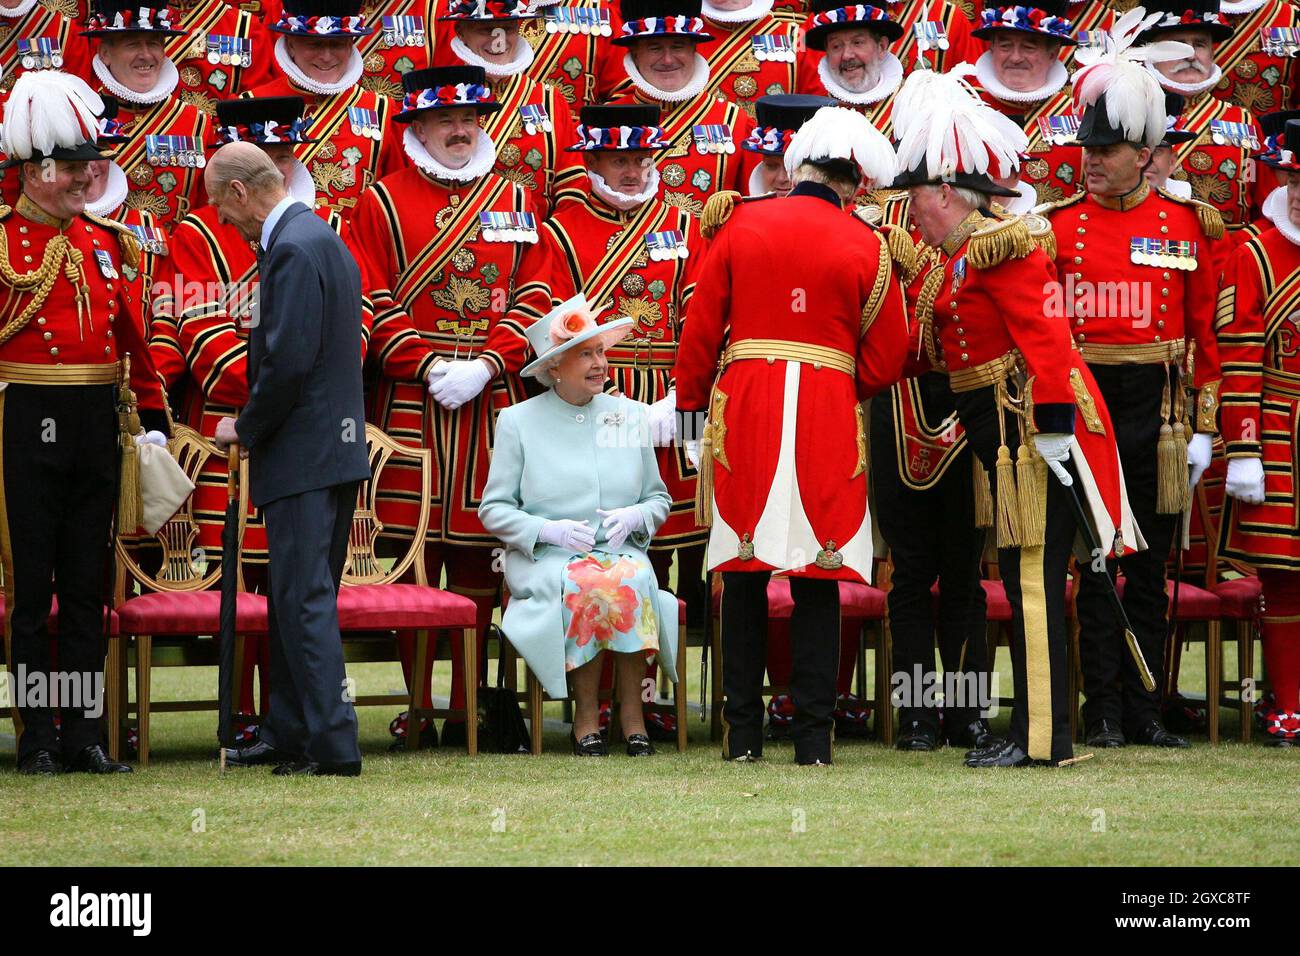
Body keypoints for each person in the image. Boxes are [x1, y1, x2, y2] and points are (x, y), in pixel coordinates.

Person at [892, 67, 1138, 767]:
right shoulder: (957, 258)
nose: (909, 213)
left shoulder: (1004, 244)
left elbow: (1049, 336)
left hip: (1032, 432)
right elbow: (938, 353)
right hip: (1001, 437)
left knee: (1032, 577)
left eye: (915, 197)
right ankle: (1034, 728)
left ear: (945, 190)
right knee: (1020, 572)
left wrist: (1056, 426)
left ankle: (1042, 742)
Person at [674, 105, 909, 765]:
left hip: (745, 401)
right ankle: (813, 740)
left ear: (797, 166)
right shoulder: (870, 243)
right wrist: (838, 380)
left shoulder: (740, 222)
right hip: (828, 408)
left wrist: (692, 412)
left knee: (743, 572)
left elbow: (699, 332)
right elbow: (889, 357)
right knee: (818, 574)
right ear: (856, 183)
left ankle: (742, 736)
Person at [1041, 22, 1223, 750]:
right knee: (1096, 558)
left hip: (1162, 410)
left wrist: (1207, 425)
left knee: (1149, 565)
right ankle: (1102, 710)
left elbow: (1204, 333)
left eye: (1107, 152)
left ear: (1144, 156)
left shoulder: (1187, 225)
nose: (1091, 163)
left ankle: (1148, 708)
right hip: (1088, 404)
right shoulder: (1056, 229)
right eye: (1086, 150)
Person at [346, 65, 535, 750]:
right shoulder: (379, 200)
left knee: (483, 551)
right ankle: (417, 707)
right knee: (410, 550)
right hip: (409, 399)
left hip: (491, 398)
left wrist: (491, 362)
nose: (461, 131)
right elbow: (367, 292)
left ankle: (468, 708)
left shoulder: (514, 196)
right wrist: (425, 364)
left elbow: (535, 293)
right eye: (445, 120)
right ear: (416, 128)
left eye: (471, 120)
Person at [0, 70, 168, 774]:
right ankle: (38, 734)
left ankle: (86, 733)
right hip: (25, 418)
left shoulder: (108, 243)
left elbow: (134, 338)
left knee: (87, 586)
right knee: (32, 591)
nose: (86, 179)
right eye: (73, 168)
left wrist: (153, 416)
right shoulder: (6, 245)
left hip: (96, 421)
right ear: (37, 172)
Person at [159, 95, 332, 749]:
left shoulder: (324, 223)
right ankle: (240, 715)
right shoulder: (199, 233)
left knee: (291, 576)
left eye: (285, 155)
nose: (279, 166)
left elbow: (358, 317)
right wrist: (269, 395)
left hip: (299, 429)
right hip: (226, 431)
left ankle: (287, 717)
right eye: (267, 156)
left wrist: (295, 392)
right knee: (239, 571)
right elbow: (197, 327)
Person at [211, 142, 370, 776]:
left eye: (222, 207)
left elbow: (286, 362)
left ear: (242, 193)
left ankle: (331, 746)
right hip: (332, 449)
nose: (223, 221)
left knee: (302, 599)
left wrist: (245, 427)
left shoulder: (293, 249)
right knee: (295, 596)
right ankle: (288, 729)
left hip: (304, 453)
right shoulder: (319, 236)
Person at [478, 293, 680, 757]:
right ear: (554, 368)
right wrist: (546, 532)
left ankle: (632, 715)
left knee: (629, 576)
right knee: (587, 581)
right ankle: (586, 715)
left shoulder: (623, 415)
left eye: (602, 352)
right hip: (548, 559)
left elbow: (657, 498)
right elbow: (494, 509)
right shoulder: (519, 422)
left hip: (620, 551)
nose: (599, 363)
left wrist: (636, 517)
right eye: (585, 354)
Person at [1216, 116, 1300, 745]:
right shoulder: (1256, 251)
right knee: (1285, 575)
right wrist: (1244, 450)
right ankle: (1288, 704)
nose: (1297, 190)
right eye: (1292, 177)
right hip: (1281, 432)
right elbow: (1239, 354)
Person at [241, 0, 405, 223]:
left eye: (336, 44)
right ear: (290, 44)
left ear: (350, 45)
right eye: (315, 44)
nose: (326, 56)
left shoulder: (382, 111)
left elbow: (393, 204)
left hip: (350, 253)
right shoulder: (249, 106)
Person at [601, 0, 754, 218]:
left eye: (678, 46)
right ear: (635, 53)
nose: (667, 59)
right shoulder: (606, 121)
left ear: (694, 49)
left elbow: (752, 211)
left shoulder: (735, 122)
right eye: (654, 47)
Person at [435, 0, 583, 219]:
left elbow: (572, 187)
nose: (499, 41)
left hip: (535, 242)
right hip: (462, 237)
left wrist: (548, 242)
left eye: (508, 29)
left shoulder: (550, 100)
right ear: (461, 32)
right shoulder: (436, 98)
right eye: (486, 30)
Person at [1136, 0, 1270, 232]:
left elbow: (1268, 208)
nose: (1190, 54)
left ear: (1212, 52)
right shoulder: (1124, 114)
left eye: (1199, 44)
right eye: (1177, 45)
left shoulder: (1244, 122)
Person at [83, 0, 211, 227]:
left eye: (153, 44)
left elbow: (206, 213)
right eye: (132, 44)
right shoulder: (81, 115)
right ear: (104, 54)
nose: (145, 55)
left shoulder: (197, 123)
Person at [966, 0, 1082, 208]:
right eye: (1005, 45)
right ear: (991, 47)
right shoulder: (960, 106)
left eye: (1029, 47)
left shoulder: (1081, 116)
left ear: (1053, 54)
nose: (1016, 57)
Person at [795, 0, 905, 133]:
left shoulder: (911, 108)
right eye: (836, 46)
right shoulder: (809, 118)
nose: (847, 55)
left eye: (857, 42)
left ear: (881, 46)